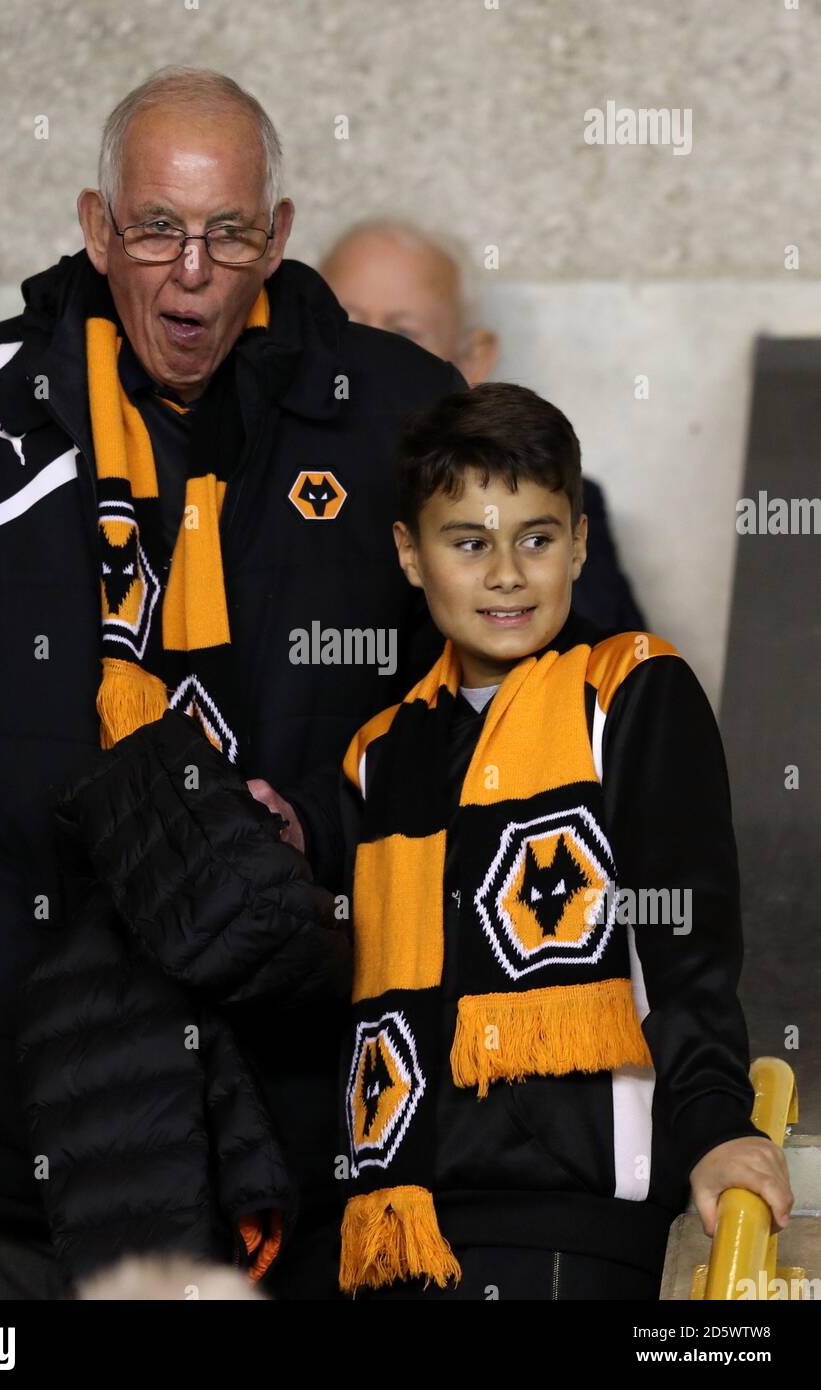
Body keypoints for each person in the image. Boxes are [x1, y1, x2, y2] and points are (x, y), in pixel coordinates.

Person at [0, 66, 465, 1299]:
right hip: (17, 1104)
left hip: (312, 1092)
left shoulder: (398, 417)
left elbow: (476, 704)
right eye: (156, 229)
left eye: (230, 232)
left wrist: (335, 855)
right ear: (97, 225)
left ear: (279, 236)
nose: (191, 271)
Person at [335, 382, 794, 1300]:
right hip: (402, 1224)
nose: (506, 573)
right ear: (410, 555)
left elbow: (686, 943)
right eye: (468, 543)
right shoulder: (380, 751)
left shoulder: (629, 689)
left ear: (579, 542)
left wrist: (713, 1124)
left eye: (535, 539)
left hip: (580, 1222)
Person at [320, 219, 646, 633]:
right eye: (346, 328)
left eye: (403, 334)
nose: (368, 357)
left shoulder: (555, 502)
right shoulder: (271, 493)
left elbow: (617, 677)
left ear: (473, 358)